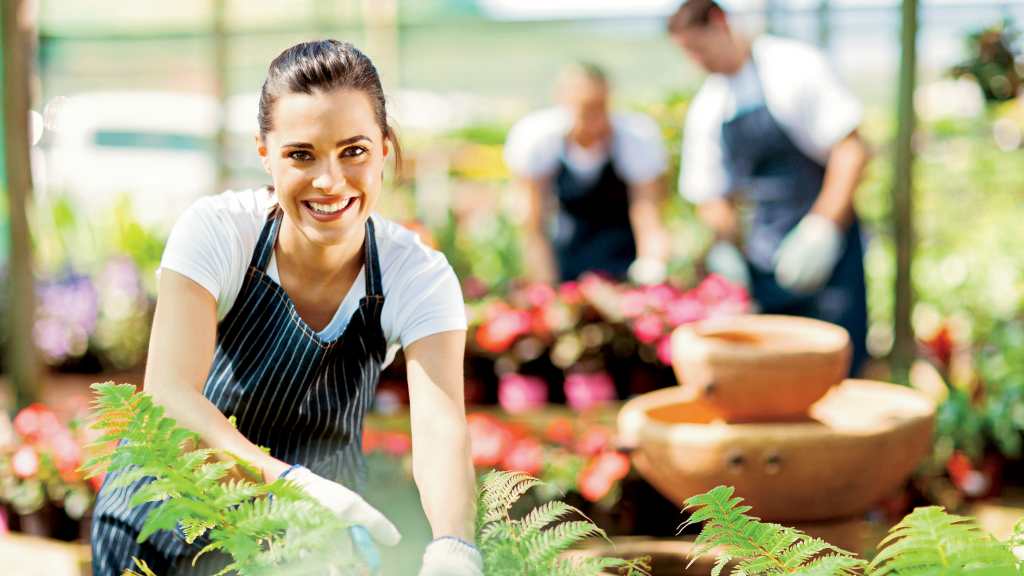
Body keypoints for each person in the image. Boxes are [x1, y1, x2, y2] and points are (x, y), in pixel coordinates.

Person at [90, 40, 481, 576]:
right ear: (263, 153)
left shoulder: (417, 275)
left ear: (385, 149)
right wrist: (287, 483)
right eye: (302, 154)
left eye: (354, 151)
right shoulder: (219, 233)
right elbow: (170, 394)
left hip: (306, 545)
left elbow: (440, 427)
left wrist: (453, 545)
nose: (330, 181)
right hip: (165, 517)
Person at [668, 0, 871, 374]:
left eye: (699, 48)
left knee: (839, 366)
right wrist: (726, 251)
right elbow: (710, 196)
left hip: (828, 252)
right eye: (688, 53)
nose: (697, 61)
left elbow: (851, 150)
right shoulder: (710, 107)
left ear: (720, 22)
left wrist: (822, 227)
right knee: (776, 372)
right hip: (764, 258)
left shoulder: (792, 67)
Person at [504, 62, 671, 285]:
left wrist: (651, 267)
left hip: (621, 247)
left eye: (599, 106)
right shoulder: (537, 140)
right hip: (565, 248)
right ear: (563, 100)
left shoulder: (636, 138)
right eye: (584, 107)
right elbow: (533, 222)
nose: (593, 117)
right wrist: (546, 286)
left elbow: (647, 212)